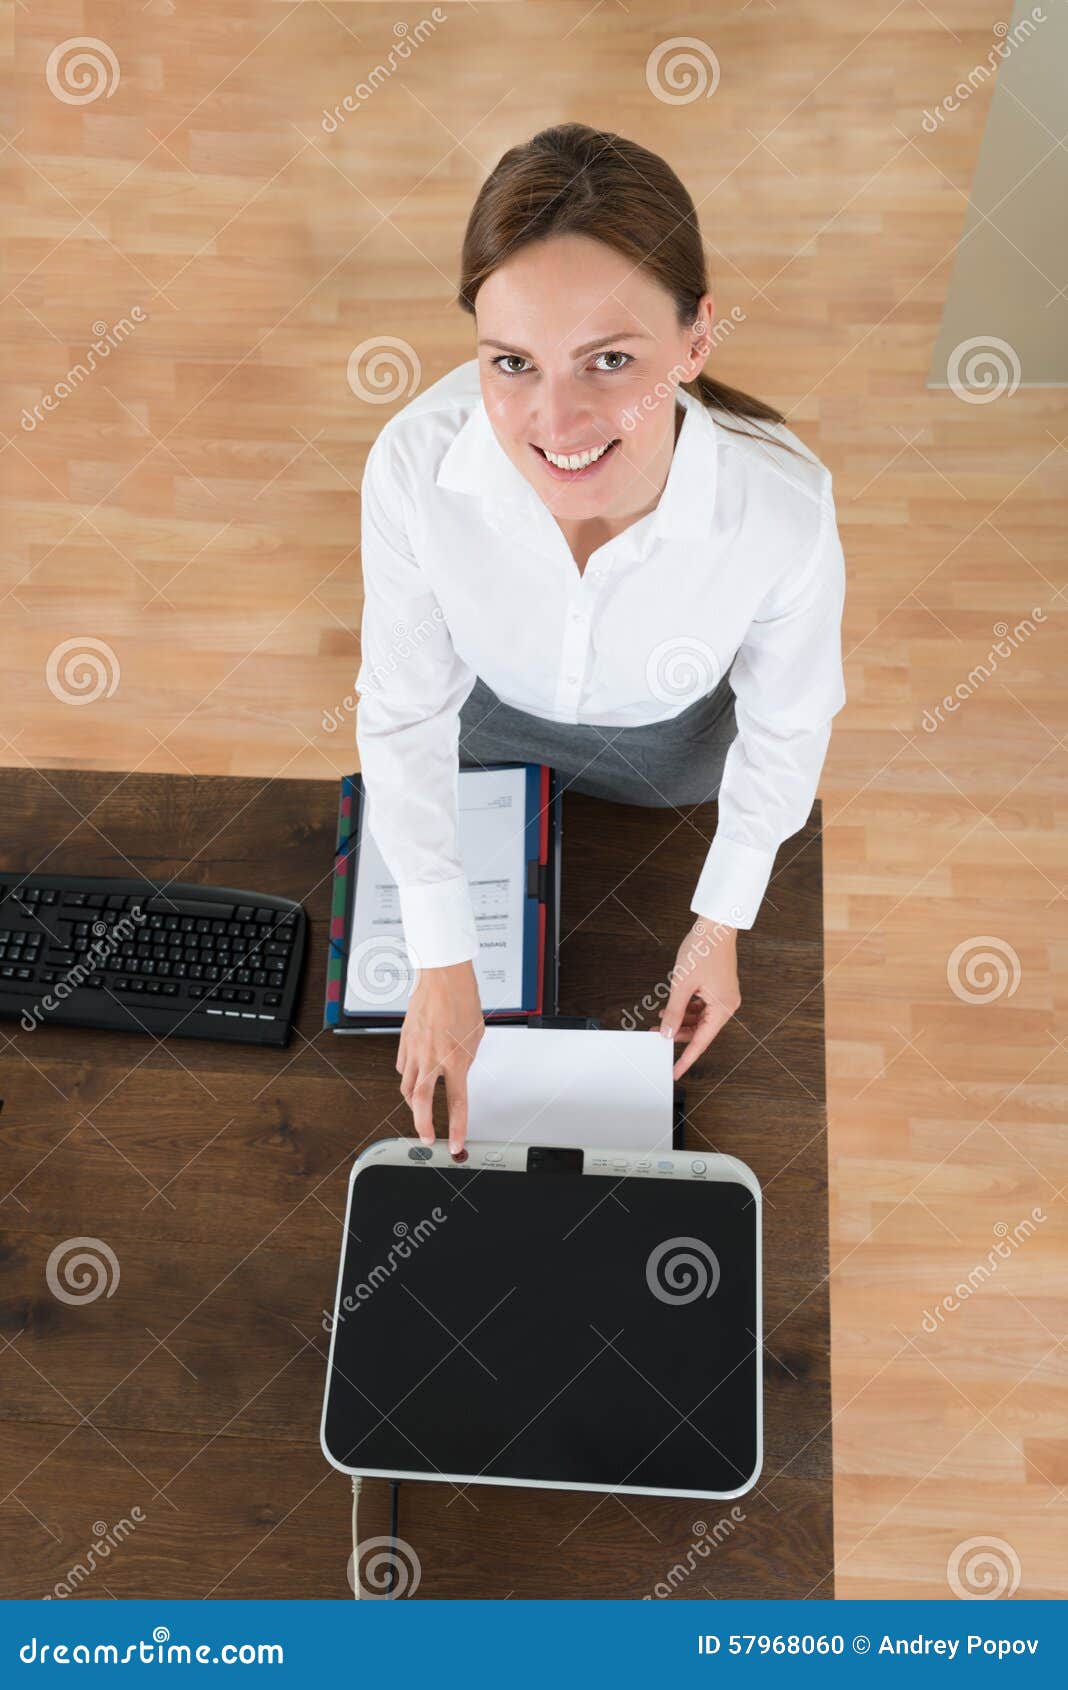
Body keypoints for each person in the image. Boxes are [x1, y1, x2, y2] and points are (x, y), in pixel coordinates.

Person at [354, 122, 846, 1154]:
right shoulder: (412, 468)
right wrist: (442, 961)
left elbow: (790, 720)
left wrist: (719, 923)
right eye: (513, 362)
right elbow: (404, 711)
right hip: (483, 729)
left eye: (610, 360)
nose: (557, 422)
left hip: (670, 760)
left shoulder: (782, 507)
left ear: (696, 340)